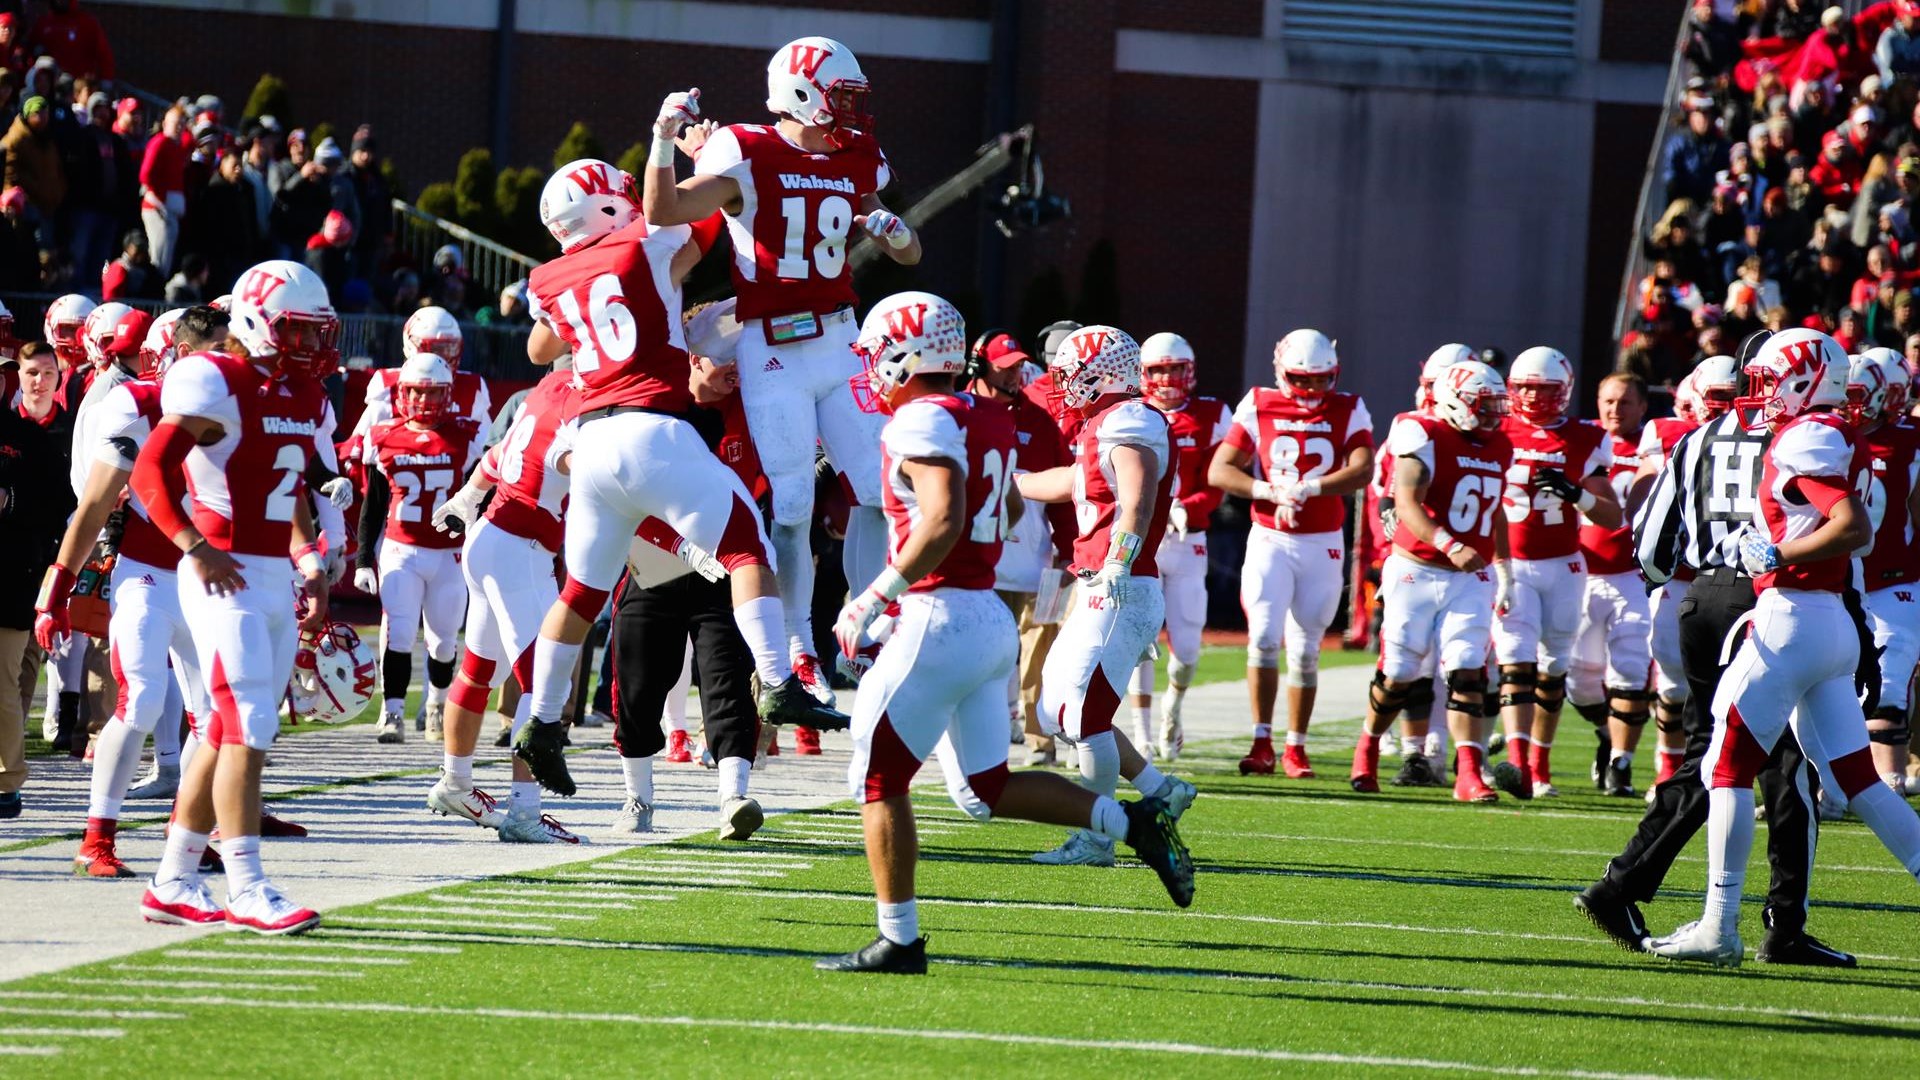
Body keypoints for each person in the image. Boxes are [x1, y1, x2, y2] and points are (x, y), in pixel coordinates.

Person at [818, 294, 1193, 975]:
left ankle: (898, 939)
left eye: (880, 352)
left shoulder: (921, 419)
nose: (875, 366)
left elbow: (942, 515)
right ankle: (1131, 822)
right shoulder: (988, 415)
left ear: (905, 355)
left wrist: (873, 597)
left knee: (878, 778)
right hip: (987, 618)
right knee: (982, 791)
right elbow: (1011, 499)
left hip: (938, 614)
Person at [515, 157, 844, 799]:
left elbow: (539, 350)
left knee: (580, 592)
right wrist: (700, 159)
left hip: (592, 443)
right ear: (610, 206)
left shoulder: (548, 276)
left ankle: (543, 725)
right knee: (750, 548)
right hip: (650, 425)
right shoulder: (647, 241)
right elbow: (702, 225)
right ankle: (778, 685)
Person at [643, 38, 923, 700]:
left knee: (883, 489)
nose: (853, 110)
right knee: (794, 504)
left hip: (841, 339)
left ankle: (866, 626)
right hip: (771, 348)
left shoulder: (858, 157)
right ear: (802, 92)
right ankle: (799, 646)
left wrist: (893, 232)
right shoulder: (748, 149)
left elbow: (909, 251)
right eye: (843, 96)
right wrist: (661, 139)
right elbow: (665, 211)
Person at [1578, 330, 1851, 967]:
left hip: (1700, 600)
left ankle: (1625, 885)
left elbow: (1650, 548)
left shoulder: (1697, 438)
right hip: (1770, 600)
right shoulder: (1796, 437)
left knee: (1719, 754)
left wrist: (1692, 586)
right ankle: (1780, 922)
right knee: (1784, 766)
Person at [1648, 327, 1920, 966]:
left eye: (1770, 381)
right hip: (1827, 622)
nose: (1761, 393)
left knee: (1726, 767)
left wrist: (1777, 550)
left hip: (1792, 614)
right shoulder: (1830, 431)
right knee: (1858, 780)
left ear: (1803, 379)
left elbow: (1848, 525)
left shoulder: (1808, 435)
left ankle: (1719, 924)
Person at [125, 259, 339, 933]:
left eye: (317, 334)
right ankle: (246, 884)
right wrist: (193, 544)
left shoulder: (307, 397)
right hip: (223, 571)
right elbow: (149, 469)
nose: (312, 348)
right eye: (298, 333)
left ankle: (173, 881)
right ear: (256, 323)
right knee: (247, 723)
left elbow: (292, 485)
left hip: (272, 572)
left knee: (224, 731)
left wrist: (310, 559)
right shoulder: (216, 378)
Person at [38, 307, 224, 876]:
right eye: (213, 349)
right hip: (149, 572)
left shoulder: (245, 402)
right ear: (171, 356)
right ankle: (97, 838)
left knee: (216, 716)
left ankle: (184, 831)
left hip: (212, 579)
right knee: (140, 698)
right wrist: (59, 583)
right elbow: (95, 502)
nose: (225, 362)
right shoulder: (139, 404)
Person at [1013, 325, 1197, 866]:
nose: (1064, 385)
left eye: (1072, 376)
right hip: (1105, 584)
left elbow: (1137, 499)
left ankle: (1096, 838)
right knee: (1056, 710)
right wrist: (1011, 478)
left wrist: (1118, 559)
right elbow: (1072, 480)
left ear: (1100, 376)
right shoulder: (1105, 423)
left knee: (1082, 716)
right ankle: (1160, 790)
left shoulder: (1131, 419)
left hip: (1120, 585)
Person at [423, 362, 582, 843]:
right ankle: (524, 812)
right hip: (521, 551)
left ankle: (456, 782)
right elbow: (592, 476)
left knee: (477, 670)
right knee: (542, 682)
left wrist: (465, 498)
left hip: (487, 537)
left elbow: (496, 456)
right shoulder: (582, 407)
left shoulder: (543, 392)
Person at [1210, 330, 1373, 779]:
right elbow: (1220, 469)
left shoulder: (1349, 406)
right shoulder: (1258, 402)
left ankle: (1296, 748)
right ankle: (1261, 741)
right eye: (1304, 380)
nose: (1316, 390)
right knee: (1263, 638)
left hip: (1321, 541)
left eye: (1323, 380)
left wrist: (1312, 486)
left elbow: (1363, 468)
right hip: (1271, 538)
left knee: (1306, 650)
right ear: (1283, 372)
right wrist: (1267, 489)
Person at [1351, 359, 1513, 803]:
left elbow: (1495, 510)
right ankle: (1365, 752)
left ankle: (1467, 774)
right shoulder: (1421, 431)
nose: (1494, 413)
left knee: (1467, 670)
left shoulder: (1499, 445)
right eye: (1485, 404)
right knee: (1400, 672)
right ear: (1456, 401)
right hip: (1415, 570)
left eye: (1498, 404)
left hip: (1469, 578)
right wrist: (1450, 544)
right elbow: (1406, 502)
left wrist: (1505, 569)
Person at [1488, 347, 1621, 798]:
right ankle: (1519, 763)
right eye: (1524, 387)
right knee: (1515, 660)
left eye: (1543, 389)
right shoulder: (1497, 427)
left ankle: (1539, 767)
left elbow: (1610, 515)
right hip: (1511, 564)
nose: (1532, 397)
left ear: (1563, 391)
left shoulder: (1585, 437)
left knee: (1553, 669)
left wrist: (1576, 495)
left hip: (1563, 564)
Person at [355, 353, 478, 745]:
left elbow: (481, 496)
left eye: (433, 393)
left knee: (443, 640)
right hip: (401, 550)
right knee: (400, 634)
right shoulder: (385, 435)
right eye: (416, 393)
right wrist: (361, 559)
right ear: (402, 393)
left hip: (448, 554)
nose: (424, 402)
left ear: (448, 394)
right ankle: (392, 714)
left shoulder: (466, 435)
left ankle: (436, 705)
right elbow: (373, 504)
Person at [1129, 333, 1230, 762]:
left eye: (1174, 368)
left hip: (1190, 542)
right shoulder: (1131, 413)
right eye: (1158, 370)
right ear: (1143, 374)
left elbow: (1219, 480)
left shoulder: (1211, 414)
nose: (1167, 378)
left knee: (1187, 647)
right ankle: (1141, 733)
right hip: (1145, 540)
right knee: (1140, 638)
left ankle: (1173, 706)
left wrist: (1189, 505)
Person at [1566, 373, 1654, 797]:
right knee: (1577, 681)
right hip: (1581, 574)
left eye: (1624, 401)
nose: (1614, 409)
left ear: (1642, 407)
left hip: (1632, 575)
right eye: (1607, 400)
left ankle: (1622, 763)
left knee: (1631, 671)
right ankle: (1606, 733)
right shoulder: (1580, 442)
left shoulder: (1655, 448)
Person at [1847, 347, 1920, 794]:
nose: (1849, 401)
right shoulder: (1826, 433)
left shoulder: (1910, 438)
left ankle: (1888, 780)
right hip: (1840, 580)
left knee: (1889, 683)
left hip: (1895, 581)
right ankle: (1830, 787)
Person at [1, 379, 74, 819]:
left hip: (9, 576)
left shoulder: (25, 437)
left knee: (3, 683)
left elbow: (60, 505)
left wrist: (10, 501)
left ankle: (7, 782)